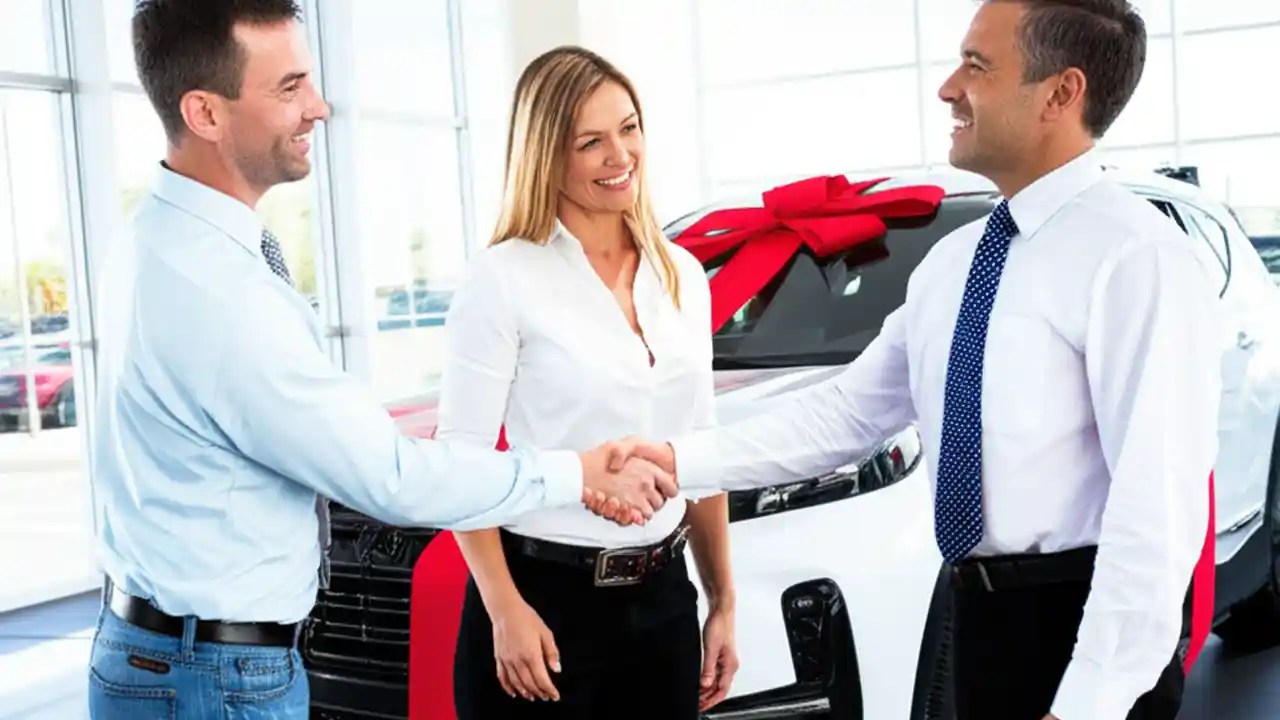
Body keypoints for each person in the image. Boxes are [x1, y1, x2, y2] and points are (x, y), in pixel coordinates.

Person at [612, 2, 1221, 719]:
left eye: (977, 65)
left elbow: (1157, 510)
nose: (948, 88)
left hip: (1081, 628)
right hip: (982, 619)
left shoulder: (1138, 257)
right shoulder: (955, 265)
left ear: (1061, 93)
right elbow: (842, 416)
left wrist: (1086, 703)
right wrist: (674, 461)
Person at [87, 4, 674, 719]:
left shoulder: (154, 237)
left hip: (163, 653)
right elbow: (390, 480)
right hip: (214, 678)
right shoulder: (221, 290)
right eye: (289, 88)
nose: (319, 106)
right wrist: (574, 472)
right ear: (205, 112)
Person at [440, 46, 739, 720]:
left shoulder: (682, 275)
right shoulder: (503, 277)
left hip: (664, 604)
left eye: (629, 128)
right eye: (591, 141)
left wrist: (722, 601)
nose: (620, 155)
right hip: (543, 605)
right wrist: (504, 609)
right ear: (547, 154)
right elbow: (459, 460)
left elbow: (701, 447)